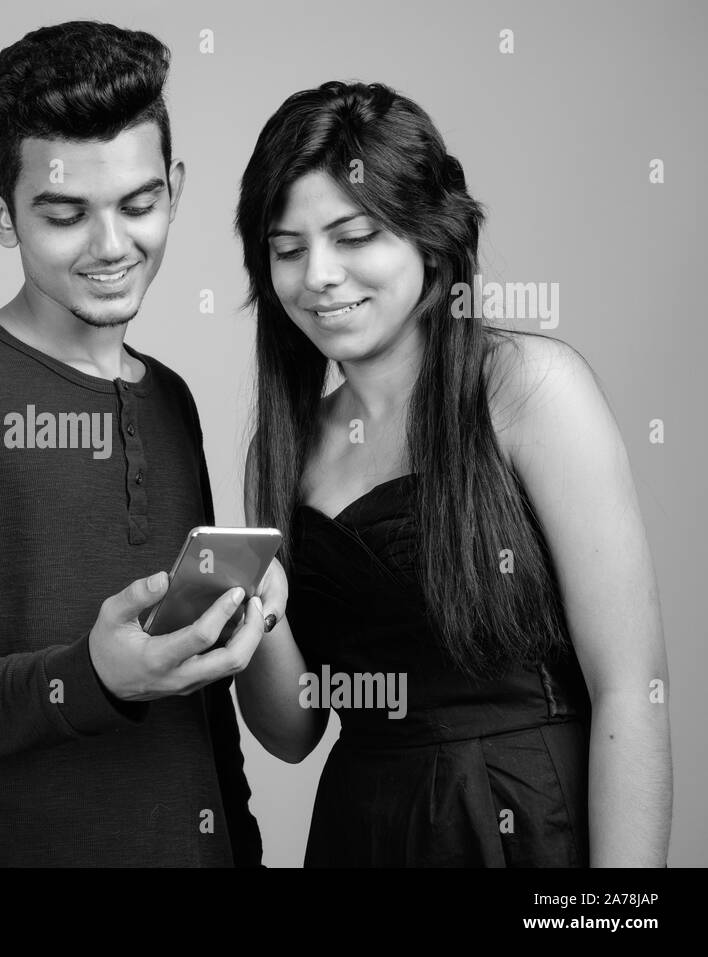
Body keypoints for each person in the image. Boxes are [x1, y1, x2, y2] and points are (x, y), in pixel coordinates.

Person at [0, 20, 267, 867]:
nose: (112, 247)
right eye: (66, 215)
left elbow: (205, 708)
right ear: (2, 215)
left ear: (175, 189)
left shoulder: (171, 398)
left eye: (139, 205)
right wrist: (86, 678)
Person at [232, 81, 672, 866]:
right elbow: (293, 732)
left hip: (522, 818)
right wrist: (255, 616)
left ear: (428, 237)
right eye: (288, 249)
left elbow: (631, 692)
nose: (319, 276)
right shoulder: (283, 451)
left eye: (354, 235)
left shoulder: (528, 389)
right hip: (358, 829)